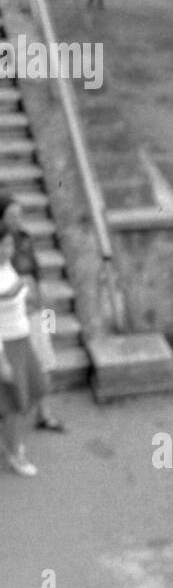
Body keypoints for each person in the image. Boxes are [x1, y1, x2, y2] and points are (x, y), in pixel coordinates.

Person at [0, 193, 65, 435]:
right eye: (12, 216)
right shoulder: (2, 248)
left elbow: (36, 272)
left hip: (38, 307)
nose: (17, 220)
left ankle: (44, 414)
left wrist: (47, 308)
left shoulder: (25, 238)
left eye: (20, 215)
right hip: (17, 315)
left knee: (47, 357)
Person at [0, 225, 38, 476]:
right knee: (15, 403)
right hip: (7, 345)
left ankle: (10, 438)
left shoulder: (8, 267)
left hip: (23, 338)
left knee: (38, 388)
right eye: (3, 245)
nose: (8, 250)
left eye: (10, 245)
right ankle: (14, 454)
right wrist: (2, 361)